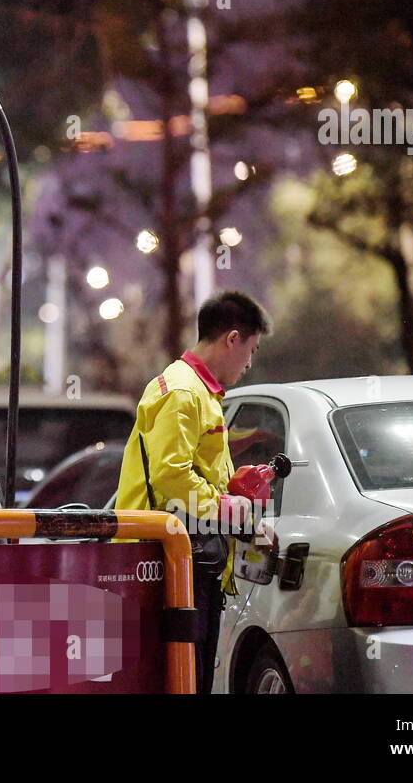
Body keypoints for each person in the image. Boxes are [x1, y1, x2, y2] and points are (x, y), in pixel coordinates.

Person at [115, 290, 271, 693]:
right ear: (231, 339)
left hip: (184, 555)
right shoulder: (184, 393)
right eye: (250, 350)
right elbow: (172, 479)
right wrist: (233, 510)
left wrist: (237, 499)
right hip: (165, 559)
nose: (249, 363)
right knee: (180, 677)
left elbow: (197, 473)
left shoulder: (198, 392)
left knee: (191, 675)